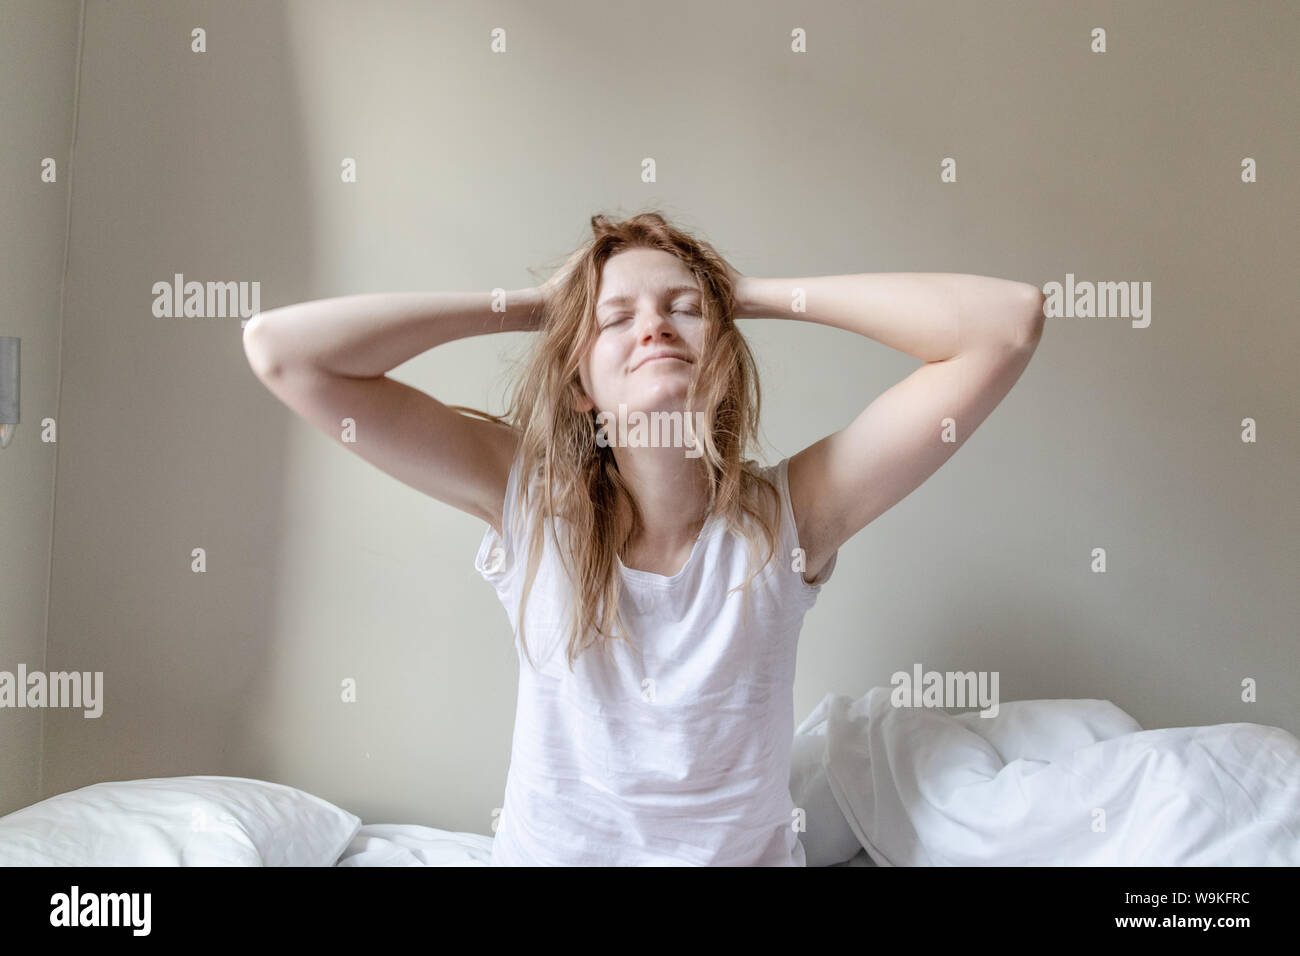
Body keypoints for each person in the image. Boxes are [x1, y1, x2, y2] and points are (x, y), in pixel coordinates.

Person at [242, 210, 1046, 865]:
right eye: (615, 318)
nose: (654, 326)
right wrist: (535, 309)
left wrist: (745, 293)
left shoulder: (787, 518)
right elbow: (282, 354)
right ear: (581, 386)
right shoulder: (531, 501)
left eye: (684, 307)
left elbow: (1007, 325)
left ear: (723, 352)